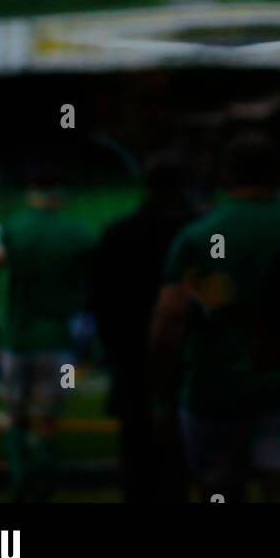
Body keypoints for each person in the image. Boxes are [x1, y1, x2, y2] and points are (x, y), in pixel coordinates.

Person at [150, 132, 280, 502]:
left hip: (215, 390)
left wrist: (159, 393)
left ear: (226, 176)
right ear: (279, 174)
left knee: (218, 490)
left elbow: (168, 322)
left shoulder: (199, 235)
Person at [0, 164, 94, 502]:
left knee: (17, 415)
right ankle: (45, 485)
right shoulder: (78, 233)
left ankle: (22, 481)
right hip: (61, 344)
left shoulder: (14, 228)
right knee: (50, 418)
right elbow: (97, 285)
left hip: (16, 341)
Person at [90, 149, 199, 502]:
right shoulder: (198, 232)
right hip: (189, 366)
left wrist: (117, 356)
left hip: (134, 366)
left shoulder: (118, 234)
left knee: (137, 463)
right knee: (181, 466)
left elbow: (101, 304)